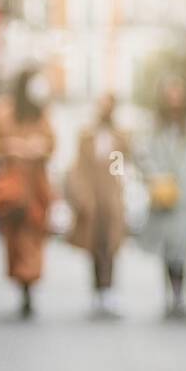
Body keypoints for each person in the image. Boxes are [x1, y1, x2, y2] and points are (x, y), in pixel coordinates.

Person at [138, 76, 186, 320]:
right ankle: (171, 297)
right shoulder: (154, 125)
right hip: (164, 198)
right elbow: (142, 154)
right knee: (168, 250)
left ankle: (181, 296)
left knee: (183, 250)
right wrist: (156, 178)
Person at [0, 69, 56, 319]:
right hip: (13, 187)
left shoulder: (41, 113)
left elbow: (50, 144)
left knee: (33, 237)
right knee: (15, 240)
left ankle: (29, 285)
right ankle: (22, 284)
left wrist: (38, 148)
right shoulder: (3, 110)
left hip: (35, 189)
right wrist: (14, 147)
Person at [67, 92, 130, 318]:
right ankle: (96, 291)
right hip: (92, 199)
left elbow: (122, 166)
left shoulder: (120, 136)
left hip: (111, 198)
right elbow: (80, 167)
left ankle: (109, 291)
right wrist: (83, 195)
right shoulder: (87, 135)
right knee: (93, 246)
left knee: (110, 246)